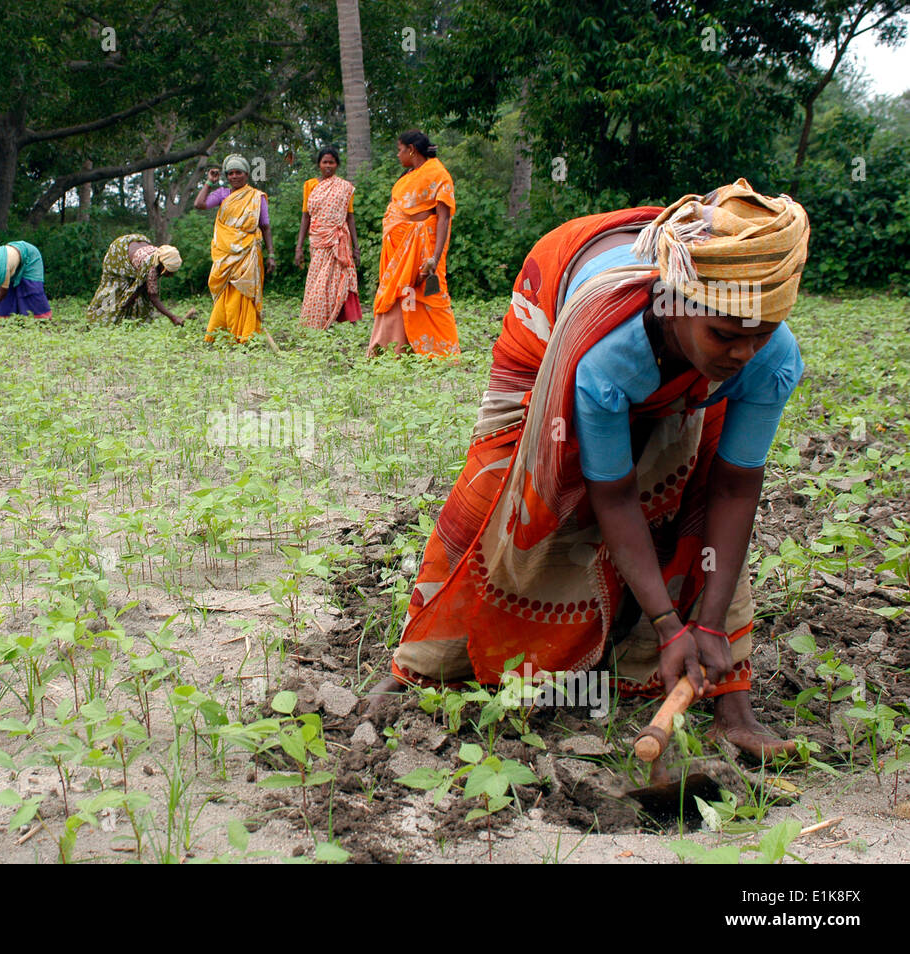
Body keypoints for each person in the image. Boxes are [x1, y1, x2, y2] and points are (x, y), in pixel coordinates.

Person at [366, 179, 810, 761]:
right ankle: (428, 663)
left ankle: (731, 701)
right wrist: (666, 619)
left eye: (762, 335)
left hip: (650, 344)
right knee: (510, 494)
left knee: (695, 480)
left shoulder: (764, 353)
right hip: (552, 318)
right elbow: (616, 495)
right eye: (725, 336)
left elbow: (733, 486)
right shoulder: (605, 353)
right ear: (679, 306)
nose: (742, 355)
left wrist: (706, 624)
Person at [365, 130, 460, 358]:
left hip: (423, 247)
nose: (398, 155)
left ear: (411, 150)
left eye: (399, 150)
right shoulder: (406, 177)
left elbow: (443, 218)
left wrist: (435, 258)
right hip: (398, 250)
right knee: (399, 296)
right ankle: (395, 350)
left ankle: (440, 352)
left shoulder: (438, 174)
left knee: (429, 295)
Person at [194, 153, 275, 344]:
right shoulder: (222, 194)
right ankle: (222, 334)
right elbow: (199, 204)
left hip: (248, 253)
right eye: (230, 173)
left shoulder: (256, 197)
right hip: (225, 253)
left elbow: (265, 226)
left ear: (247, 174)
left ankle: (246, 335)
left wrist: (271, 254)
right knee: (226, 292)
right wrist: (209, 182)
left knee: (245, 292)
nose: (234, 177)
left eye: (238, 172)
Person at [295, 147, 362, 329]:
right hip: (318, 238)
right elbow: (306, 216)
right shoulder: (310, 186)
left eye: (331, 162)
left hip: (339, 239)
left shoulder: (345, 188)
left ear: (337, 165)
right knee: (318, 279)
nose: (328, 166)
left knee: (342, 276)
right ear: (319, 164)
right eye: (324, 162)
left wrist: (356, 247)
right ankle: (319, 317)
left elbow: (350, 217)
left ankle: (348, 318)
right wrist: (299, 247)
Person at [85, 234, 195, 325]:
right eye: (169, 272)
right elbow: (152, 296)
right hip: (119, 252)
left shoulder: (160, 257)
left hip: (136, 242)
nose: (171, 276)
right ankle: (99, 319)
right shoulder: (150, 268)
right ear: (163, 266)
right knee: (114, 289)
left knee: (139, 292)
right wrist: (173, 317)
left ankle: (133, 321)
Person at [0, 240, 53, 319]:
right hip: (12, 259)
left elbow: (2, 294)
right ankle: (6, 317)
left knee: (29, 287)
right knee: (7, 288)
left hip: (30, 256)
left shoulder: (0, 268)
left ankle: (40, 316)